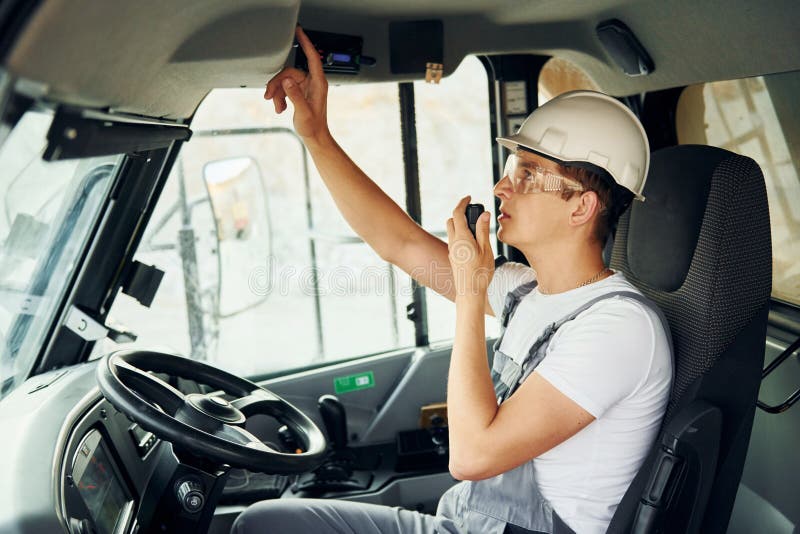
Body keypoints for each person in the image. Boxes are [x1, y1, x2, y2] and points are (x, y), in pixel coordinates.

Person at [233, 27, 673, 534]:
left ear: (582, 206)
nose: (502, 185)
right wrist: (316, 135)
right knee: (265, 523)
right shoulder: (527, 289)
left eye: (528, 173)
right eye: (512, 166)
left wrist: (469, 292)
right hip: (467, 523)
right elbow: (397, 243)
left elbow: (471, 458)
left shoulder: (619, 328)